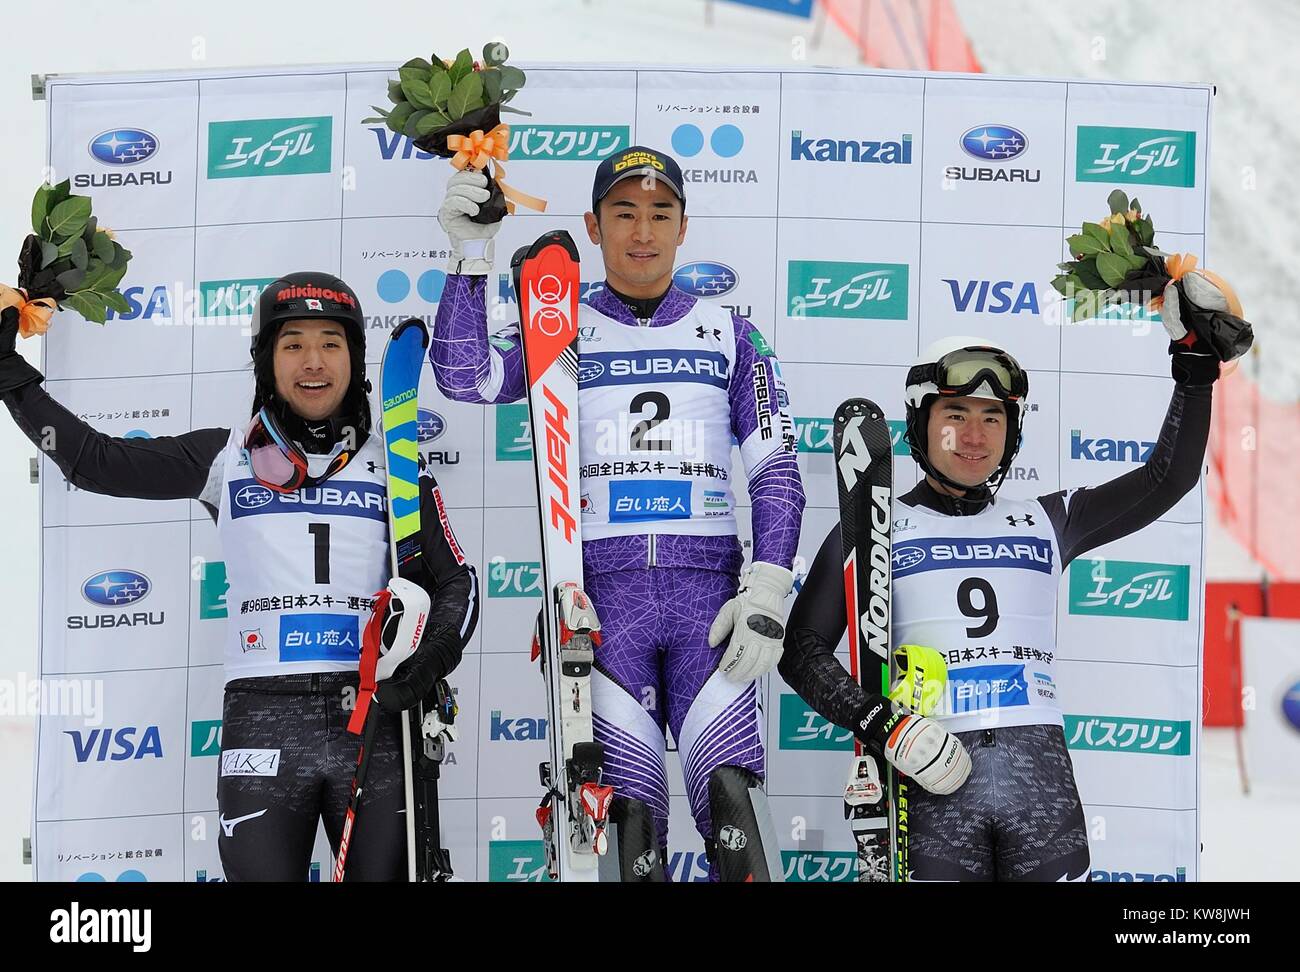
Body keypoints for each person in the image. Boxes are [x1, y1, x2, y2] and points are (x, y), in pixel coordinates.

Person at [0, 272, 478, 881]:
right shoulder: (225, 460)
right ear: (267, 361)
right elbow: (95, 461)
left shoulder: (397, 467)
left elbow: (457, 582)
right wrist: (10, 376)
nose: (313, 361)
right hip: (262, 715)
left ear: (354, 360)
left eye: (331, 343)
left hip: (376, 718)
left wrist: (428, 663)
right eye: (293, 343)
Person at [430, 146, 805, 881]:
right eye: (624, 213)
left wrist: (767, 588)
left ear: (683, 227)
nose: (642, 231)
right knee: (626, 829)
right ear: (592, 226)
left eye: (660, 214)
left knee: (735, 806)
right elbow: (464, 376)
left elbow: (777, 468)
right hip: (604, 603)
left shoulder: (732, 334)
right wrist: (471, 254)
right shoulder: (558, 325)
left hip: (709, 601)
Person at [781, 299, 1236, 880]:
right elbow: (802, 651)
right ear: (921, 422)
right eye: (955, 414)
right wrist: (883, 724)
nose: (974, 436)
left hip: (1040, 786)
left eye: (992, 418)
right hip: (930, 779)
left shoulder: (1051, 519)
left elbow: (1167, 477)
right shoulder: (873, 527)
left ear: (1012, 430)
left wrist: (1195, 369)